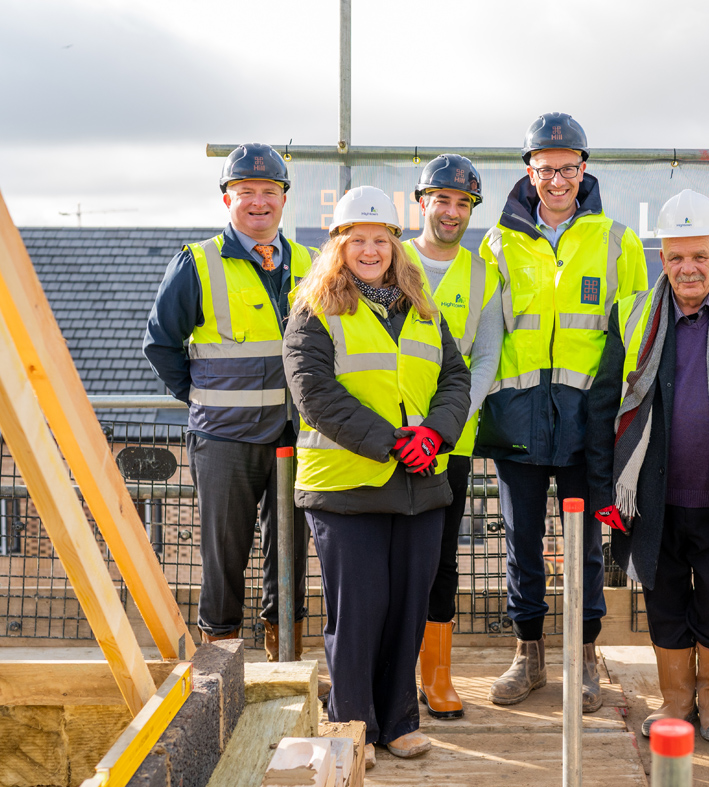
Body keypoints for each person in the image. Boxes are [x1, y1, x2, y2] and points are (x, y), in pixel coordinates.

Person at [283, 185, 470, 764]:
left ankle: (397, 721)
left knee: (408, 609)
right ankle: (351, 728)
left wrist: (432, 437)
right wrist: (393, 445)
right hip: (347, 485)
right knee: (358, 612)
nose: (370, 250)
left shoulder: (421, 308)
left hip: (420, 484)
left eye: (380, 239)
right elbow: (315, 395)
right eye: (357, 239)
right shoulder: (312, 310)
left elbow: (455, 381)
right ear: (337, 245)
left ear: (395, 245)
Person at [476, 112, 648, 712]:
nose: (556, 180)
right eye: (545, 168)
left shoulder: (616, 240)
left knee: (586, 548)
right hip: (516, 421)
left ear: (584, 170)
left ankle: (583, 658)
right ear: (529, 171)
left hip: (586, 422)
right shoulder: (498, 242)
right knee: (522, 544)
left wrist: (618, 418)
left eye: (567, 168)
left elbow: (632, 337)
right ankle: (528, 656)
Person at [587, 189, 709, 743]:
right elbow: (601, 406)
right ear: (660, 260)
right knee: (663, 603)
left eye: (699, 256)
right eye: (676, 257)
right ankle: (675, 700)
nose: (688, 269)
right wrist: (603, 490)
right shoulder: (634, 314)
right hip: (653, 496)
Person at [143, 143, 313, 661]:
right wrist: (200, 399)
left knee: (290, 555)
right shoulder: (197, 263)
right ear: (226, 199)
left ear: (284, 199)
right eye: (246, 192)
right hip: (223, 438)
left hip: (293, 435)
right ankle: (221, 668)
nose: (258, 202)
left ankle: (284, 661)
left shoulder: (310, 262)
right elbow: (161, 343)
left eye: (269, 192)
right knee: (224, 556)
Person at [402, 155, 502, 720]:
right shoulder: (390, 260)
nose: (452, 211)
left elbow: (485, 357)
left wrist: (448, 423)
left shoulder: (483, 274)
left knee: (440, 559)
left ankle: (437, 677)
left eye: (463, 202)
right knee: (390, 555)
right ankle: (391, 672)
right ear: (422, 202)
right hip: (388, 436)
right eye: (441, 199)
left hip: (451, 441)